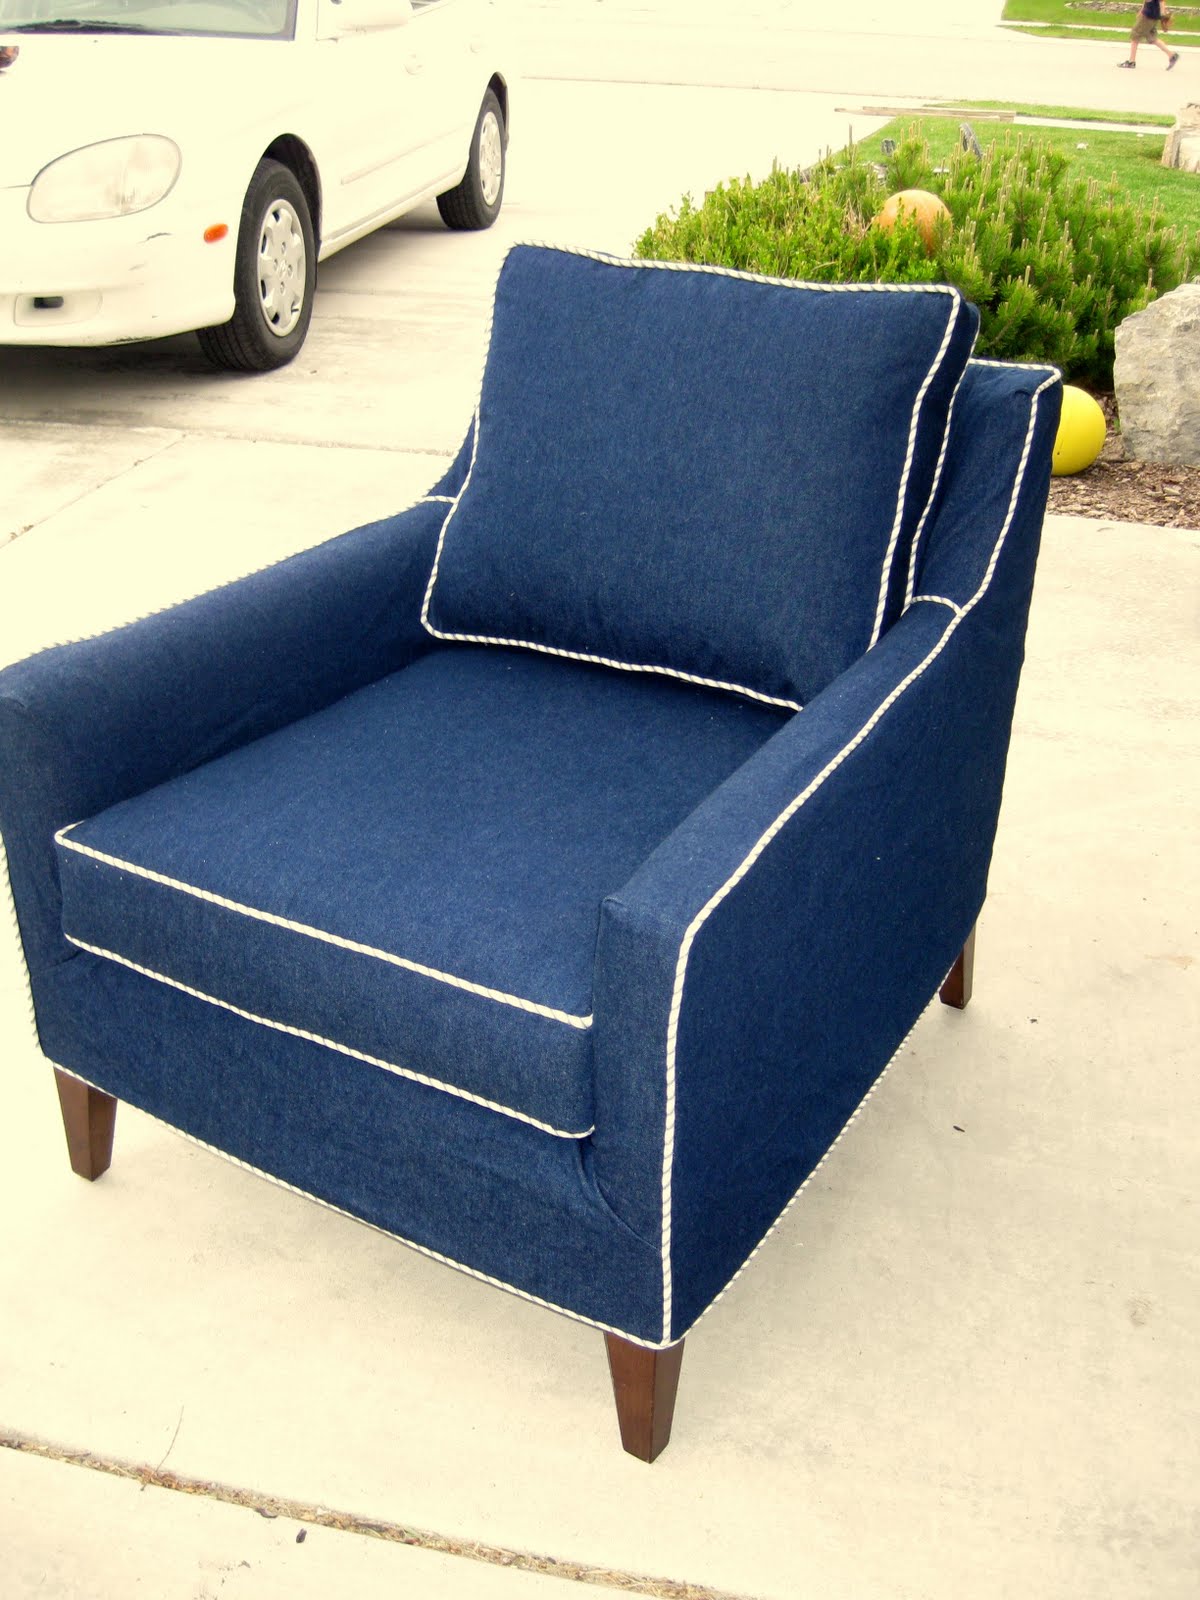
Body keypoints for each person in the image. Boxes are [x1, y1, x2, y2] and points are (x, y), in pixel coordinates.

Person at [1118, 1, 1181, 68]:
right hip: (1152, 16)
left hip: (1148, 17)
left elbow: (1161, 1)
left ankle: (1131, 62)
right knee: (1152, 38)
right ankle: (1172, 55)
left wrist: (1163, 14)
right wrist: (1142, 10)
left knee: (1135, 36)